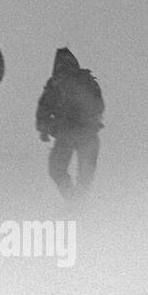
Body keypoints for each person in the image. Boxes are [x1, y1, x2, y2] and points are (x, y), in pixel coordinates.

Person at [36, 47, 104, 198]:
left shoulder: (55, 84)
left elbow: (44, 109)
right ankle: (80, 204)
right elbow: (99, 106)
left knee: (56, 170)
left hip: (66, 135)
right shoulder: (87, 81)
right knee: (85, 175)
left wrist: (44, 130)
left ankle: (72, 201)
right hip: (88, 134)